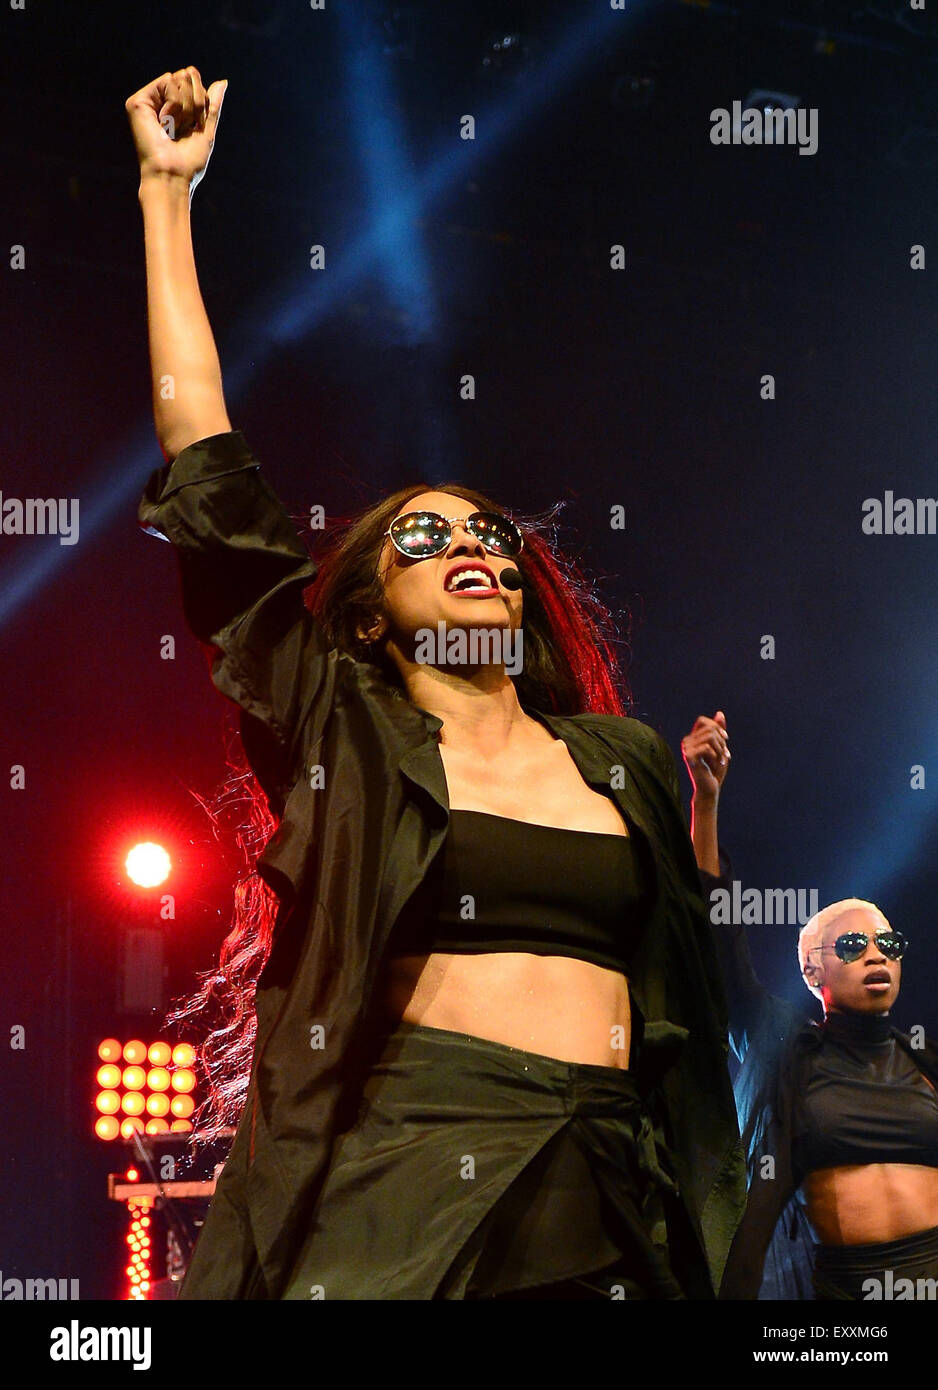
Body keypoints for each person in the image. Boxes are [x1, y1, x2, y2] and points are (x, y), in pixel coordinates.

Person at [126, 64, 747, 1300]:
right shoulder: (343, 730)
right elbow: (208, 465)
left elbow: (682, 959)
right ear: (365, 613)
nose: (469, 546)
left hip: (615, 1180)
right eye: (422, 537)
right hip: (411, 1178)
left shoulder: (615, 756)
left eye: (489, 537)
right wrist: (164, 195)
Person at [682, 711, 938, 1300]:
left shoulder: (924, 1061)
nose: (876, 954)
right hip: (840, 1299)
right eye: (853, 945)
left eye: (888, 944)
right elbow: (718, 944)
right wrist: (707, 803)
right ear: (811, 969)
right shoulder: (785, 1045)